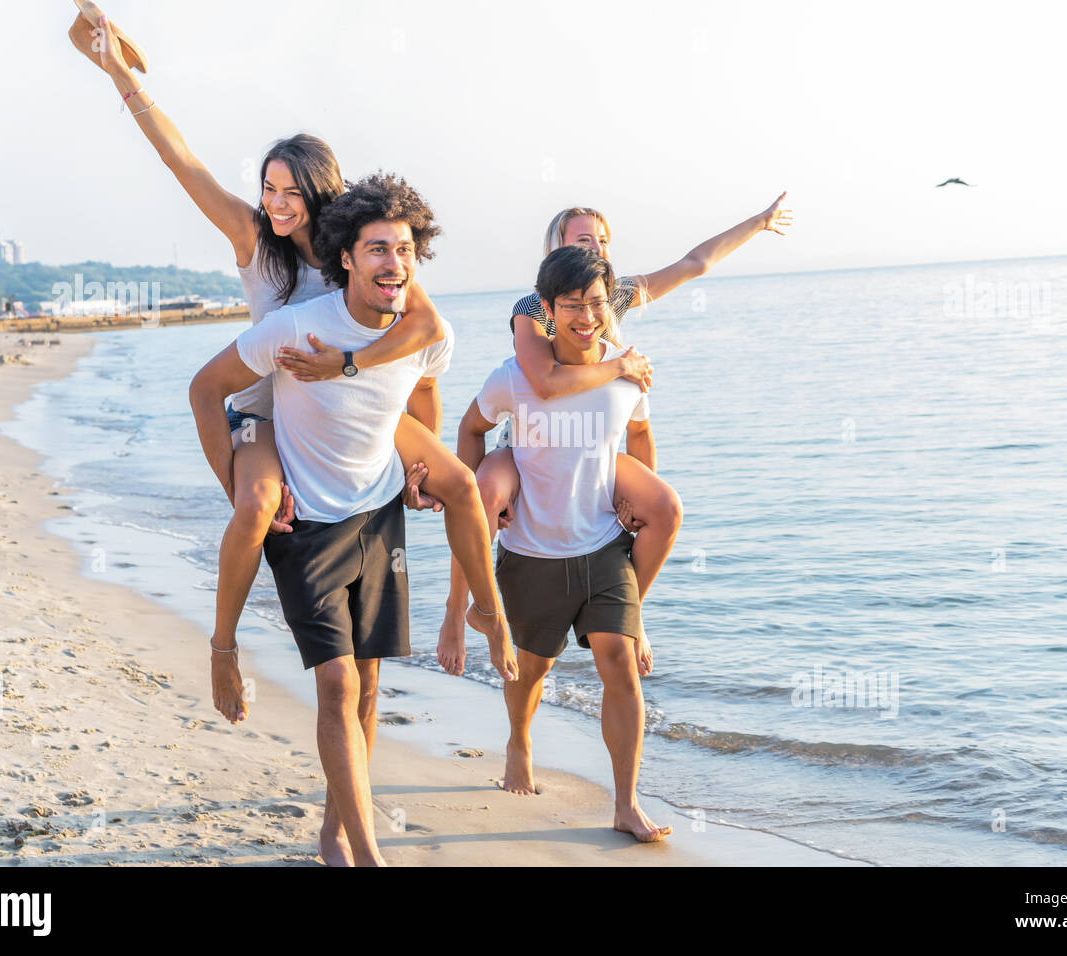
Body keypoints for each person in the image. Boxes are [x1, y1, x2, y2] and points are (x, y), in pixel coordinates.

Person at [77, 17, 467, 725]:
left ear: (322, 191)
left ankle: (479, 626)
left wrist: (362, 384)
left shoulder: (361, 250)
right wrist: (119, 75)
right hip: (263, 411)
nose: (277, 203)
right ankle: (223, 648)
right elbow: (181, 162)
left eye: (290, 190)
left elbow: (426, 339)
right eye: (268, 188)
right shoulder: (255, 239)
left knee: (459, 485)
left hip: (348, 408)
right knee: (257, 508)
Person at [190, 173, 519, 865]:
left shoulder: (426, 332)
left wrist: (415, 474)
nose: (391, 263)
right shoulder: (295, 329)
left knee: (368, 685)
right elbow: (206, 387)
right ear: (346, 257)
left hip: (375, 521)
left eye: (401, 249)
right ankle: (367, 854)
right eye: (376, 249)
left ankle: (338, 833)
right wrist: (235, 483)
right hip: (306, 523)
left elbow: (425, 392)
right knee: (338, 683)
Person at [438, 196, 793, 679]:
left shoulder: (616, 295)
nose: (597, 248)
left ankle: (631, 614)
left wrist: (760, 222)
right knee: (480, 496)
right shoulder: (533, 308)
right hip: (529, 441)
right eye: (584, 239)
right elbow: (545, 383)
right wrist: (621, 365)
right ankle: (461, 611)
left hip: (594, 442)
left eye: (603, 240)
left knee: (662, 507)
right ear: (555, 251)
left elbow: (695, 263)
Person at [458, 245, 671, 841]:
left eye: (597, 303)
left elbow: (641, 434)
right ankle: (519, 743)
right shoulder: (513, 377)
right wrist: (476, 490)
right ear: (548, 310)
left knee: (620, 666)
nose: (587, 317)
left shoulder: (628, 371)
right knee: (532, 670)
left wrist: (634, 499)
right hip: (532, 552)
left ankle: (626, 802)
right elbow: (471, 427)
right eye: (572, 305)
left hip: (603, 545)